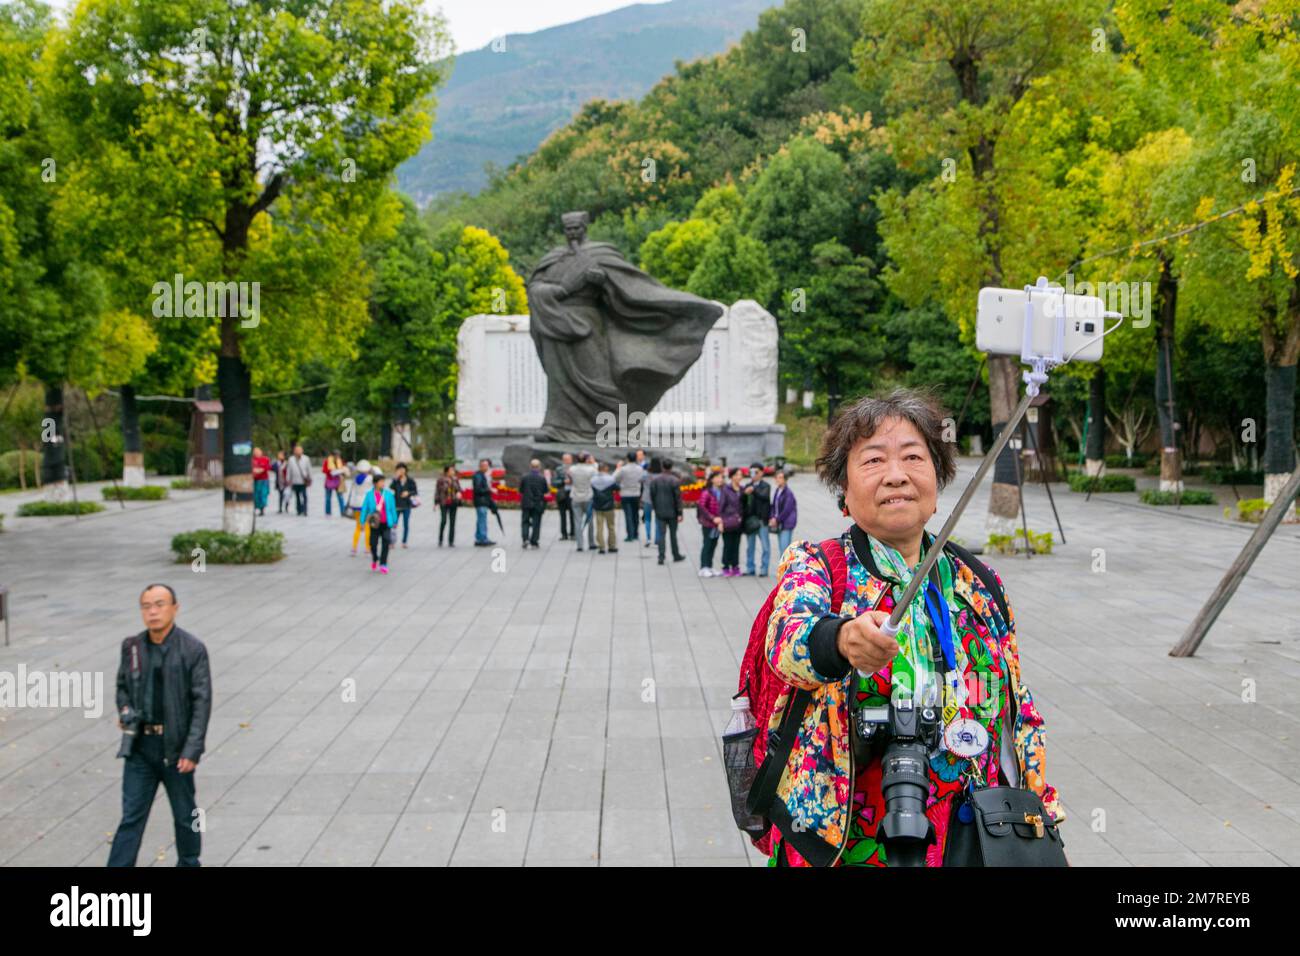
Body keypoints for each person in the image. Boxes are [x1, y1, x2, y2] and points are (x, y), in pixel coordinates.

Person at [764, 388, 1064, 867]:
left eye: (913, 457)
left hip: (972, 830)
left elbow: (1017, 707)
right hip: (849, 832)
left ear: (938, 478)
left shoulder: (979, 582)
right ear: (843, 487)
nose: (896, 475)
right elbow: (787, 641)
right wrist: (842, 639)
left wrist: (1040, 814)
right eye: (873, 460)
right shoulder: (819, 565)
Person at [108, 583, 211, 867]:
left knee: (184, 813)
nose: (153, 612)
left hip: (176, 748)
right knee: (131, 816)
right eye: (146, 606)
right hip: (140, 746)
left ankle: (189, 863)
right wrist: (125, 709)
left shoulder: (192, 649)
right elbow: (122, 687)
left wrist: (192, 749)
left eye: (159, 604)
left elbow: (202, 703)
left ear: (174, 608)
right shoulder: (132, 647)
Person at [650, 457, 685, 565]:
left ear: (662, 466)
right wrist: (680, 513)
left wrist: (656, 508)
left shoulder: (655, 480)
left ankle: (661, 556)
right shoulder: (675, 480)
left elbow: (652, 495)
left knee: (661, 534)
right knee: (673, 535)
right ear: (671, 467)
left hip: (660, 511)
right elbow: (678, 498)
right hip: (672, 512)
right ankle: (676, 555)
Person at [360, 470, 398, 573]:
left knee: (386, 543)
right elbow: (364, 509)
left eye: (383, 481)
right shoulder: (369, 495)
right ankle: (375, 558)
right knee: (372, 543)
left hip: (386, 523)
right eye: (381, 482)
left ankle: (383, 563)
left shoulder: (388, 494)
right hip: (374, 523)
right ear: (375, 483)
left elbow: (392, 508)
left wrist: (395, 521)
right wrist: (362, 522)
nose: (383, 484)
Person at [743, 462, 773, 577]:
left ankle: (764, 569)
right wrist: (744, 494)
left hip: (762, 520)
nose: (754, 474)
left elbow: (764, 496)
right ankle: (750, 568)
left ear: (761, 473)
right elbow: (742, 501)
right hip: (750, 521)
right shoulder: (747, 485)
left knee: (765, 546)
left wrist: (753, 490)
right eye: (752, 472)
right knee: (750, 547)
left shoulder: (766, 486)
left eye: (756, 472)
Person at [696, 469, 724, 577]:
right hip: (708, 523)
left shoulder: (722, 491)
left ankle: (710, 566)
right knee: (707, 544)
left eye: (721, 477)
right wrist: (713, 518)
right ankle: (703, 567)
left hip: (717, 523)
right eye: (717, 477)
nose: (719, 480)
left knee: (713, 544)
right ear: (712, 480)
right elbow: (702, 507)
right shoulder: (707, 492)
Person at [568, 452, 597, 551]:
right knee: (590, 521)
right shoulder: (591, 469)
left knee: (577, 521)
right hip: (588, 497)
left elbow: (569, 476)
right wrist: (593, 463)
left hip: (576, 497)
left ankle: (579, 545)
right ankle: (591, 542)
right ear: (586, 459)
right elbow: (596, 475)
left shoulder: (572, 469)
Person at [719, 467, 745, 577]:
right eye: (737, 475)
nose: (739, 477)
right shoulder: (726, 489)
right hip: (728, 522)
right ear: (732, 476)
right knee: (727, 545)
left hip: (739, 523)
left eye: (740, 475)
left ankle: (735, 566)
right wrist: (720, 521)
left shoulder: (743, 489)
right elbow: (721, 506)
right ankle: (725, 566)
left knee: (736, 545)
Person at [769, 467, 799, 560]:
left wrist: (776, 519)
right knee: (783, 550)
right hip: (779, 523)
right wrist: (772, 517)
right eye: (777, 477)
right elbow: (774, 506)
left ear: (785, 479)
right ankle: (784, 571)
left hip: (786, 524)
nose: (778, 480)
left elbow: (787, 510)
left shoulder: (788, 493)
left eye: (780, 477)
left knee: (785, 551)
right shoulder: (778, 491)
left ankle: (786, 572)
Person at [613, 452, 644, 542]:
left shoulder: (623, 469)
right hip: (636, 494)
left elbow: (614, 478)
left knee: (628, 515)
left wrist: (618, 468)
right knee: (635, 514)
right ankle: (635, 534)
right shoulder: (640, 469)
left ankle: (630, 535)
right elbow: (642, 479)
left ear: (627, 458)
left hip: (625, 494)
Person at [519, 459, 548, 548]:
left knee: (525, 521)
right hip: (537, 503)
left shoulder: (525, 477)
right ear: (539, 467)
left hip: (526, 503)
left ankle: (525, 539)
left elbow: (521, 490)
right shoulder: (542, 478)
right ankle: (534, 541)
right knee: (536, 523)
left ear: (530, 466)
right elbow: (545, 490)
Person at [590, 461, 618, 554]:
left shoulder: (593, 480)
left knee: (599, 527)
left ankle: (601, 547)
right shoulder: (610, 479)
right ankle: (612, 545)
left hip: (598, 506)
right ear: (605, 468)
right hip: (609, 506)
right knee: (611, 526)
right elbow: (617, 488)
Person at [347, 460, 374, 556]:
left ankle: (354, 548)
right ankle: (368, 547)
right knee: (367, 527)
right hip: (366, 504)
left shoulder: (355, 478)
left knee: (358, 527)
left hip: (356, 504)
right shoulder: (370, 478)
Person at [391, 462, 418, 548]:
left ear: (406, 470)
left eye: (403, 469)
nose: (401, 471)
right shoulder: (395, 480)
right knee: (394, 524)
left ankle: (404, 541)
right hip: (397, 505)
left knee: (406, 524)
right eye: (399, 469)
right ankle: (392, 542)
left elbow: (415, 491)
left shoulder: (410, 480)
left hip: (407, 505)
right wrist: (395, 479)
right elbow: (390, 489)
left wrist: (408, 493)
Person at [472, 458, 496, 547]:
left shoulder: (482, 475)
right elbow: (478, 489)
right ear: (481, 466)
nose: (487, 467)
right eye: (485, 466)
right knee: (482, 520)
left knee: (480, 520)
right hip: (481, 500)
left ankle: (479, 537)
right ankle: (483, 538)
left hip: (482, 500)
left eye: (487, 465)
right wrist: (489, 489)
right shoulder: (478, 476)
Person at [435, 465, 460, 546]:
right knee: (444, 520)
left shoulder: (455, 479)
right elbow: (438, 491)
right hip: (444, 502)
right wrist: (436, 503)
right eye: (451, 470)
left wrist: (457, 490)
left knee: (452, 522)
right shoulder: (441, 480)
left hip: (453, 502)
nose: (453, 472)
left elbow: (459, 489)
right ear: (447, 471)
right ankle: (440, 539)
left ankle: (451, 541)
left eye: (453, 470)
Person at [286, 444, 312, 516]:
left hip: (303, 481)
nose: (298, 451)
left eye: (299, 450)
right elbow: (289, 470)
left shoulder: (306, 458)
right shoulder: (291, 459)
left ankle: (305, 510)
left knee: (304, 495)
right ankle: (299, 510)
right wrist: (288, 479)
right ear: (294, 451)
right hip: (295, 481)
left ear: (302, 450)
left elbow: (309, 469)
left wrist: (310, 478)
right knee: (297, 496)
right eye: (297, 450)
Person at [554, 452, 574, 540]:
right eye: (565, 460)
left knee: (573, 515)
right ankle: (564, 534)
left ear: (571, 460)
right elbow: (554, 482)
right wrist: (563, 481)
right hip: (562, 494)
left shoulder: (575, 469)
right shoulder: (559, 469)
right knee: (562, 515)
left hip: (572, 494)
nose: (567, 461)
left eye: (568, 459)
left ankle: (573, 533)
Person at [638, 449, 655, 546]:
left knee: (648, 519)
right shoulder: (659, 476)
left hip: (647, 498)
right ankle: (656, 539)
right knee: (655, 519)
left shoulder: (645, 474)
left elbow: (639, 480)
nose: (638, 456)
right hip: (655, 498)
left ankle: (649, 538)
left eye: (640, 455)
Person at [323, 450, 348, 517]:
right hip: (329, 481)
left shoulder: (340, 461)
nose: (337, 457)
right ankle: (328, 512)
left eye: (338, 455)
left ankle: (343, 512)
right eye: (336, 455)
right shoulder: (327, 461)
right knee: (328, 498)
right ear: (333, 455)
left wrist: (342, 471)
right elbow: (324, 470)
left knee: (340, 497)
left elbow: (343, 469)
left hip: (338, 481)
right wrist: (331, 471)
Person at [251, 447, 271, 516]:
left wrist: (257, 470)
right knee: (255, 495)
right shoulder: (252, 460)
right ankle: (255, 508)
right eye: (255, 451)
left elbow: (265, 468)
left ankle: (262, 509)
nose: (256, 453)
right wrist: (257, 470)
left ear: (261, 452)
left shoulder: (265, 459)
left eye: (258, 451)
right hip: (255, 480)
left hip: (263, 480)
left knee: (263, 494)